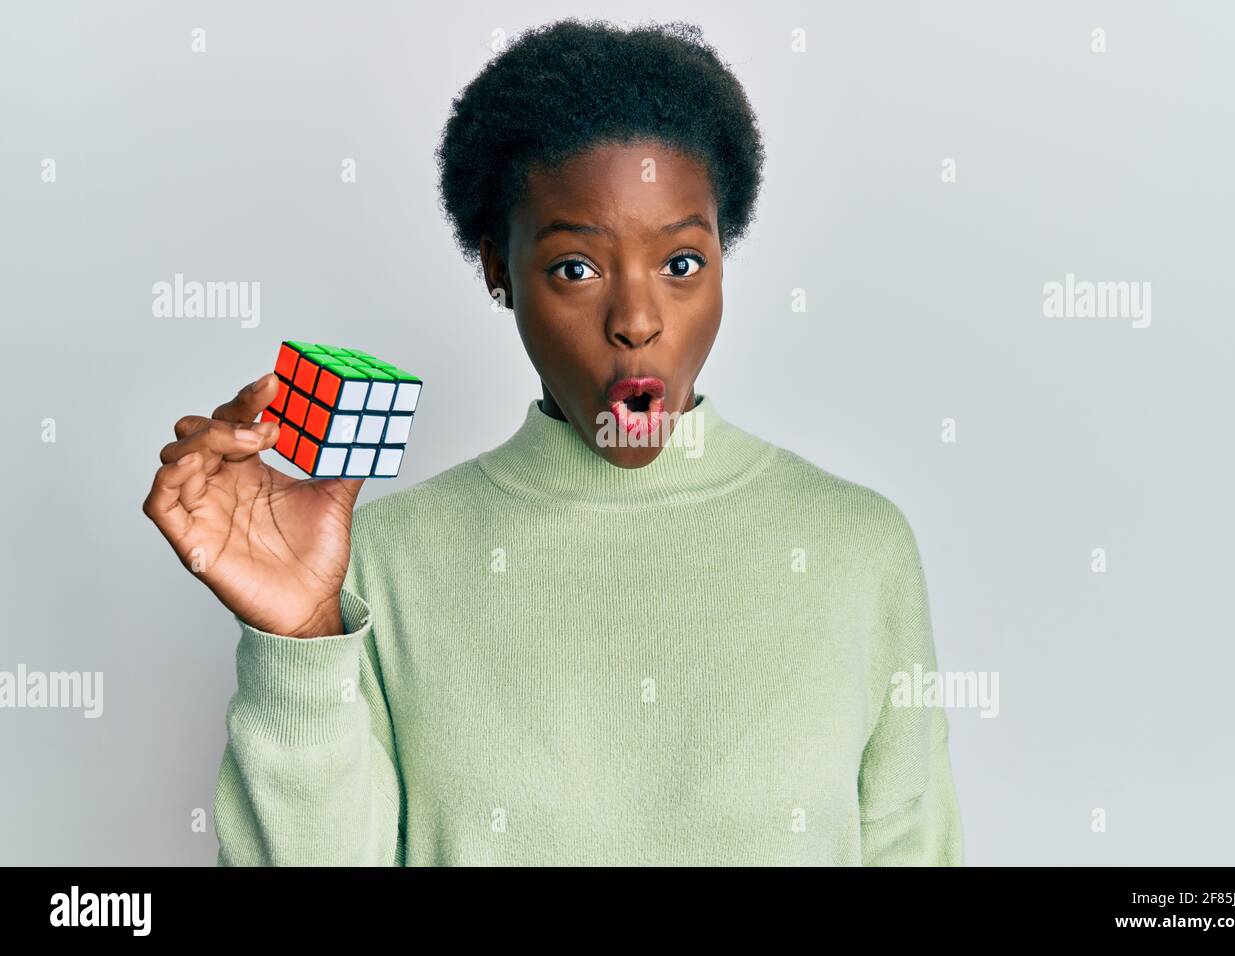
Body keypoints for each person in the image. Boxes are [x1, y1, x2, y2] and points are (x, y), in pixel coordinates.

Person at [142, 18, 963, 866]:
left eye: (681, 263)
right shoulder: (376, 564)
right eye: (577, 267)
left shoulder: (858, 549)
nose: (637, 320)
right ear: (499, 270)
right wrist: (302, 648)